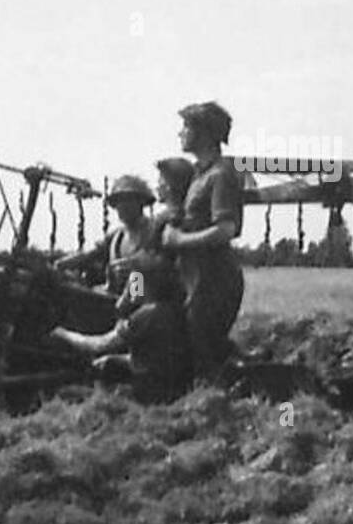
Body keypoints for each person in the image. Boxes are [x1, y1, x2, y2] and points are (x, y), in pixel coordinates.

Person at [159, 101, 245, 380]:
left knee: (205, 354)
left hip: (215, 278)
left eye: (187, 127)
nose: (180, 133)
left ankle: (221, 406)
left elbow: (225, 230)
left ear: (206, 134)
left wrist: (179, 240)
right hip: (195, 276)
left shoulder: (221, 175)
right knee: (193, 348)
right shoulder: (199, 174)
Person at [48, 253, 191, 402]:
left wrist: (62, 334)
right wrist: (115, 359)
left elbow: (98, 345)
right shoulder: (175, 311)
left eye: (135, 280)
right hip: (172, 387)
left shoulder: (145, 316)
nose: (132, 284)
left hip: (147, 391)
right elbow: (153, 359)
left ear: (145, 282)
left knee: (65, 393)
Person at [56, 174, 159, 296]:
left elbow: (156, 269)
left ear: (141, 202)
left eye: (128, 200)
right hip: (115, 296)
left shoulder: (154, 231)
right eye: (118, 202)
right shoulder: (117, 236)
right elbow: (89, 254)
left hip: (145, 298)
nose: (122, 206)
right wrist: (59, 264)